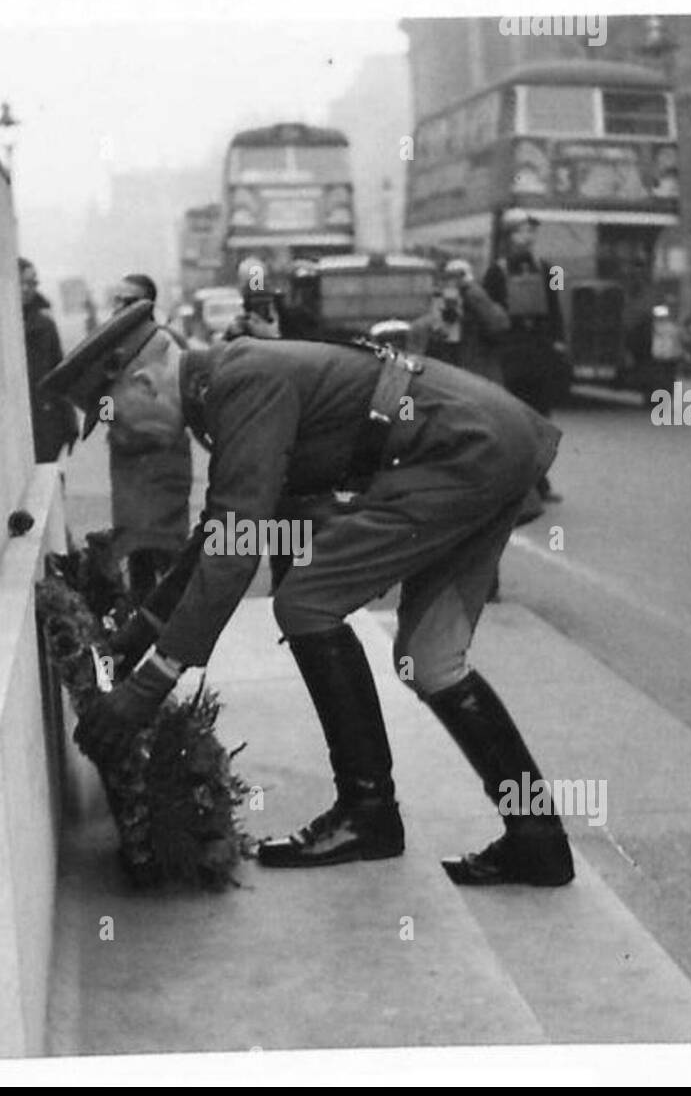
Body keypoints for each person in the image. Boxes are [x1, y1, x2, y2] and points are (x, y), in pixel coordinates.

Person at [41, 300, 575, 887]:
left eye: (113, 416)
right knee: (432, 663)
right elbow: (222, 531)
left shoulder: (241, 382)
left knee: (304, 601)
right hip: (485, 443)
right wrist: (136, 637)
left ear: (142, 380)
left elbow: (237, 543)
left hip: (464, 449)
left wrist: (152, 681)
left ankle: (369, 813)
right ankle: (538, 840)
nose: (122, 435)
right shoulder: (226, 386)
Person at [105, 274, 194, 603]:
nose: (120, 307)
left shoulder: (170, 342)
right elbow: (97, 401)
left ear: (148, 305)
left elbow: (189, 394)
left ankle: (175, 624)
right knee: (135, 547)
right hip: (128, 462)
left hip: (165, 457)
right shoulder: (108, 348)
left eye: (129, 301)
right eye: (118, 300)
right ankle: (139, 620)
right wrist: (111, 413)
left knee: (170, 548)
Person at [482, 210, 568, 501]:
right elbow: (487, 313)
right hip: (511, 354)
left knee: (542, 420)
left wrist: (558, 342)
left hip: (539, 352)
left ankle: (540, 484)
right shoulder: (496, 272)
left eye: (531, 231)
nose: (527, 237)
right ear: (508, 237)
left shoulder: (548, 270)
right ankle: (516, 485)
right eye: (520, 231)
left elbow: (555, 309)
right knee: (515, 422)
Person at [408, 258, 509, 383]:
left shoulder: (485, 316)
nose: (456, 296)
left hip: (478, 381)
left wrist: (477, 300)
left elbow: (500, 326)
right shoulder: (428, 324)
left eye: (463, 291)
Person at [19, 258, 75, 463]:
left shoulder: (45, 325)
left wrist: (70, 423)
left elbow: (60, 374)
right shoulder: (0, 322)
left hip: (46, 422)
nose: (27, 289)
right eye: (21, 283)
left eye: (32, 283)